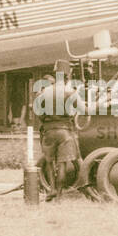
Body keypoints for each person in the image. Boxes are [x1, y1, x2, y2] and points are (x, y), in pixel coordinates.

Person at [33, 60, 83, 199]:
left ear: (55, 76)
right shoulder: (70, 92)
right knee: (62, 164)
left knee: (49, 162)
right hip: (65, 131)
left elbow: (37, 110)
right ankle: (59, 196)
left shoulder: (44, 91)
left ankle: (52, 190)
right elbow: (84, 110)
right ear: (67, 77)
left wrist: (45, 120)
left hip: (49, 131)